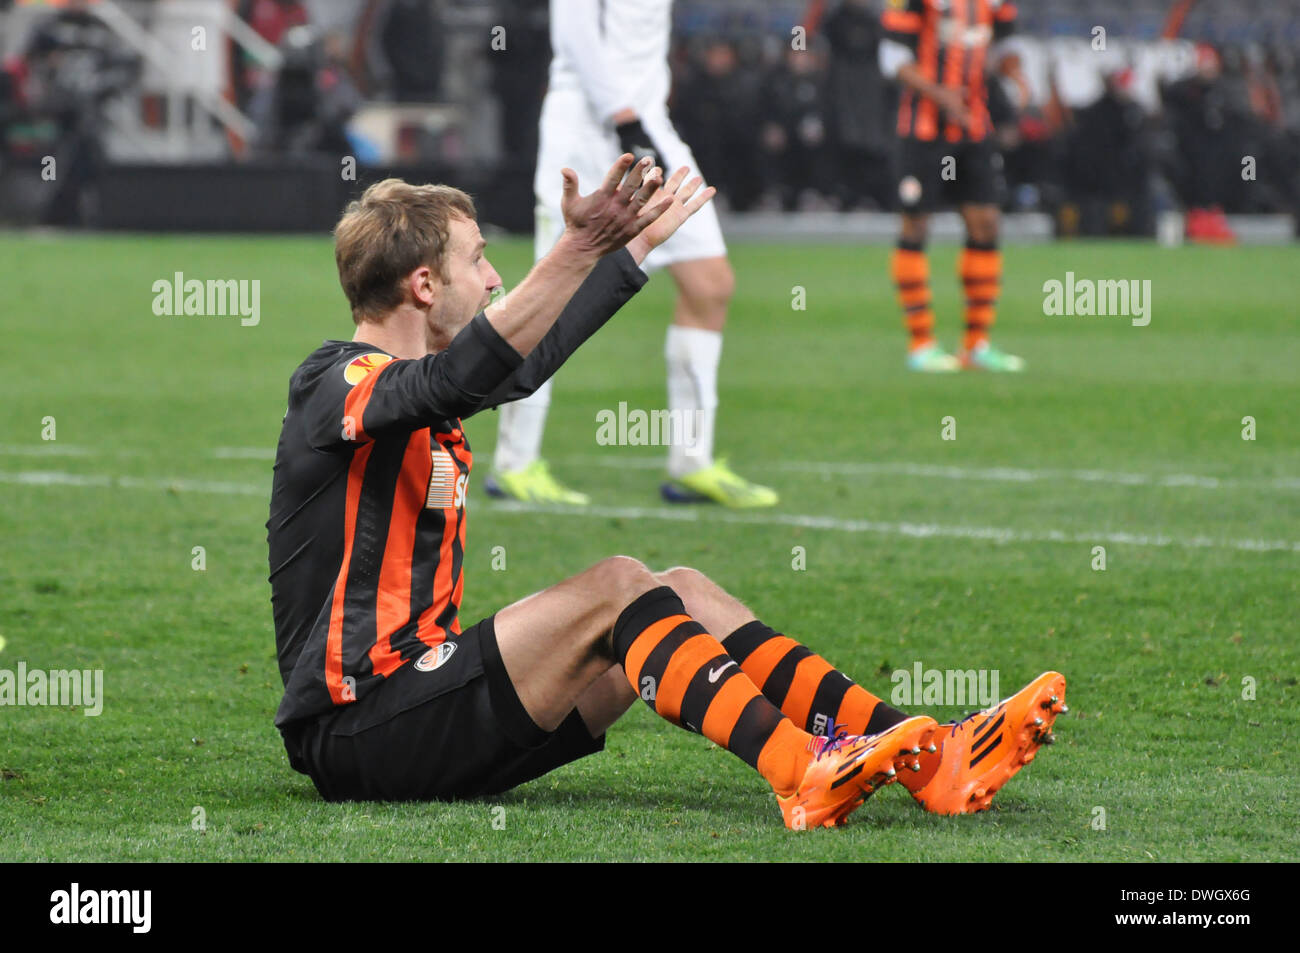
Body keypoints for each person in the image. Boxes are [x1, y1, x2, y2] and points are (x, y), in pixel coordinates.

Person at [267, 152, 1068, 828]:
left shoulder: (424, 384)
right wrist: (578, 248)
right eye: (476, 257)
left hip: (428, 705)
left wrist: (627, 250)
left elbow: (514, 365)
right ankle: (801, 771)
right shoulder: (334, 381)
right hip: (359, 728)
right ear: (422, 286)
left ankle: (933, 754)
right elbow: (460, 373)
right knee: (618, 583)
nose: (494, 273)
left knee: (676, 590)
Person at [486, 0, 778, 509]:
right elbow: (576, 36)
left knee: (710, 283)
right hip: (587, 133)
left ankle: (691, 461)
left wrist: (645, 113)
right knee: (551, 296)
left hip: (650, 130)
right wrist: (622, 116)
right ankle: (514, 462)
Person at [879, 0, 1025, 372]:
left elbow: (1005, 46)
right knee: (916, 223)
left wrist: (1016, 75)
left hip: (974, 126)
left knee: (986, 222)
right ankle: (921, 344)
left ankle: (976, 345)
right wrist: (941, 94)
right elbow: (892, 57)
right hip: (923, 130)